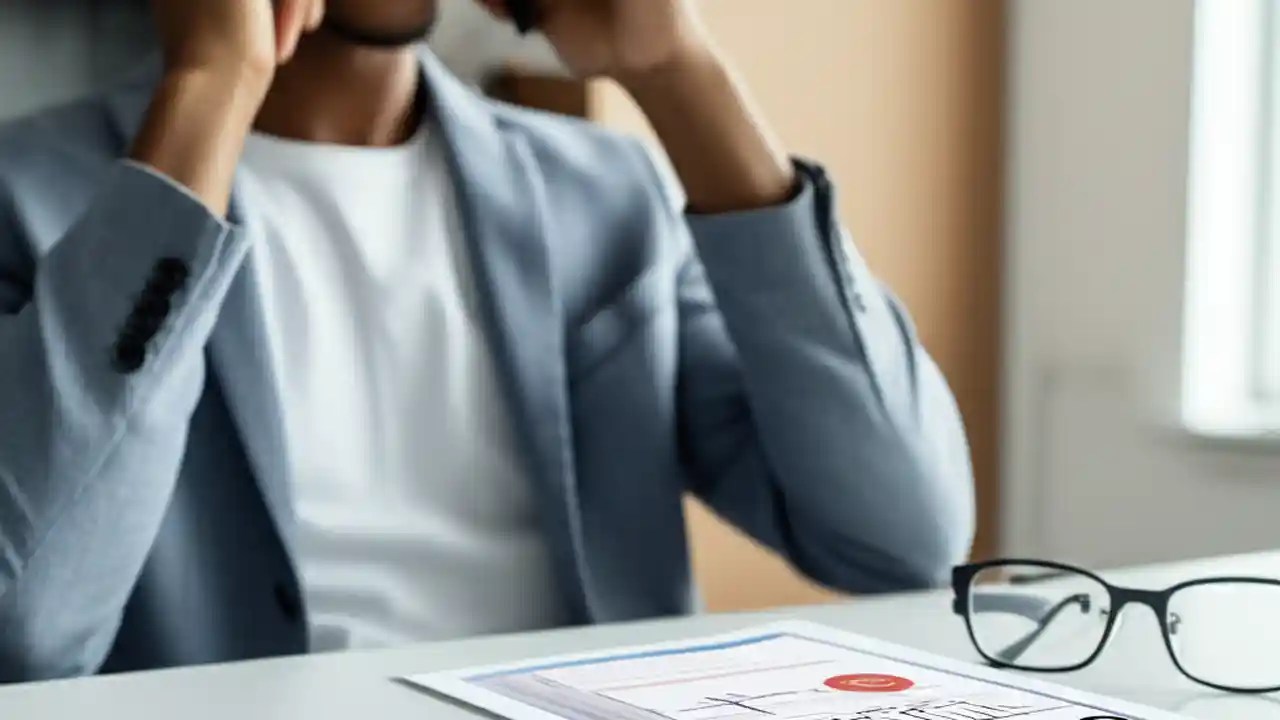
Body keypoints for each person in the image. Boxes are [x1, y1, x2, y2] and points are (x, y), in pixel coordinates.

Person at [0, 0, 975, 682]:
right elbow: (26, 633)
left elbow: (899, 536)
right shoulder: (31, 194)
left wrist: (674, 69)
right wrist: (212, 81)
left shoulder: (601, 196)